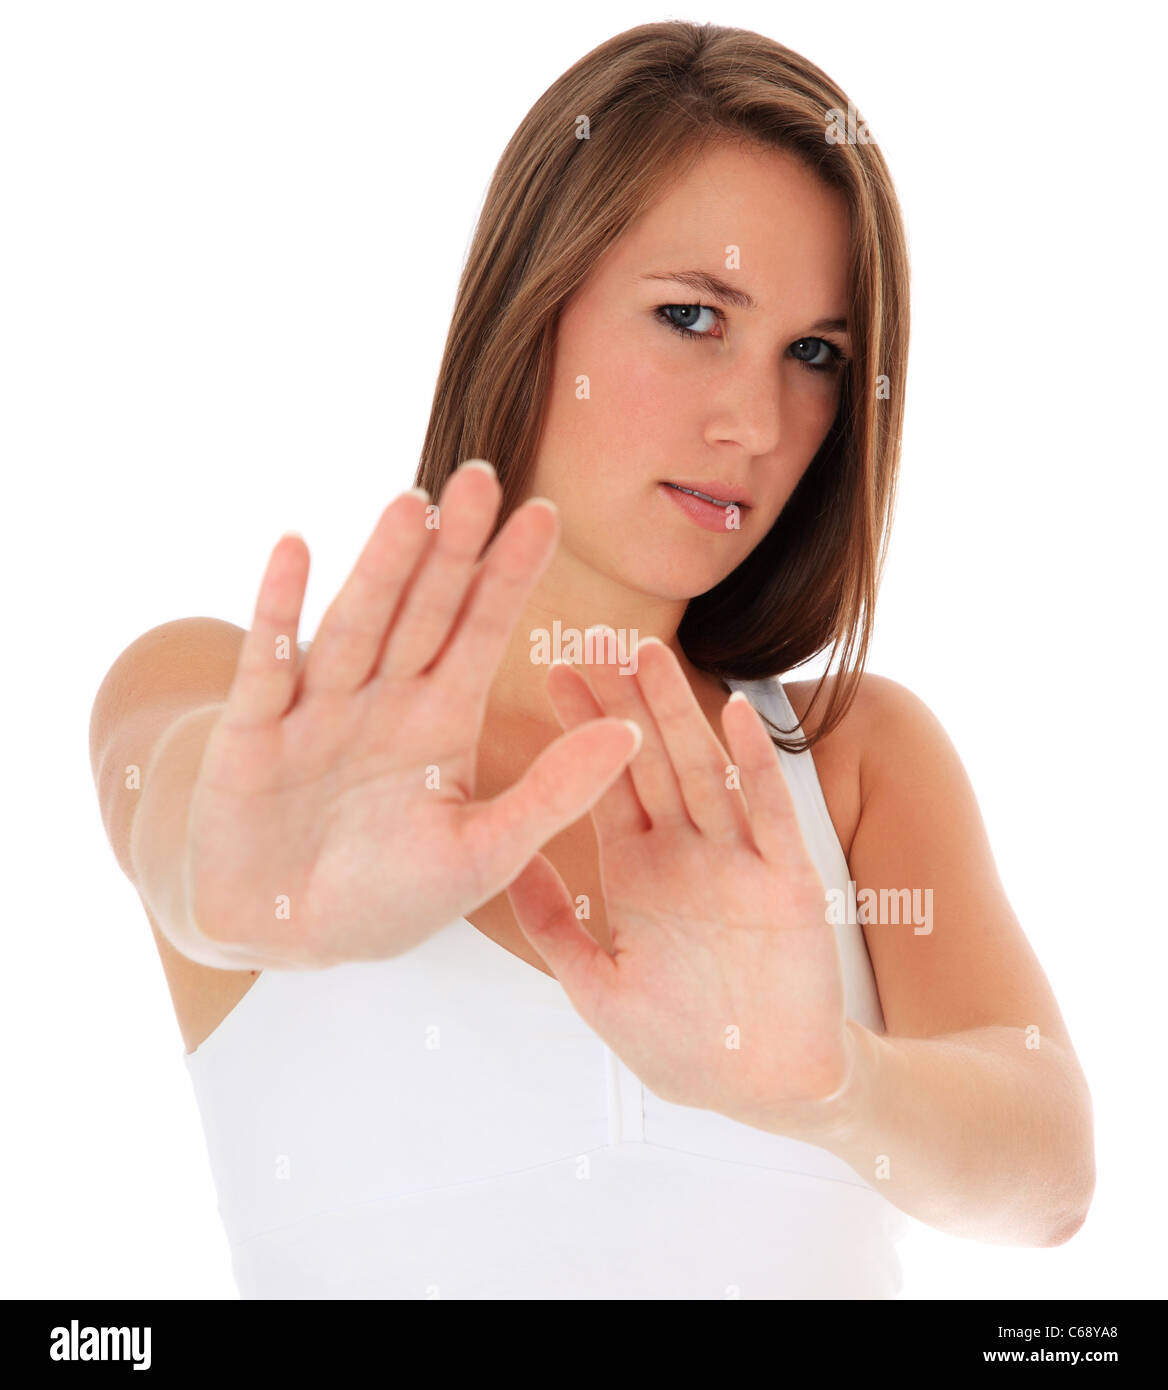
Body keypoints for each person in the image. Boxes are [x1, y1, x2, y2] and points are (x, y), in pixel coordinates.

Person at [88, 20, 1095, 1299]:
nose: (756, 421)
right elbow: (190, 847)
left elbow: (1050, 1172)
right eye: (691, 315)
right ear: (533, 302)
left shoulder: (847, 757)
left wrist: (832, 1081)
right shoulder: (230, 697)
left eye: (816, 355)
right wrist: (255, 880)